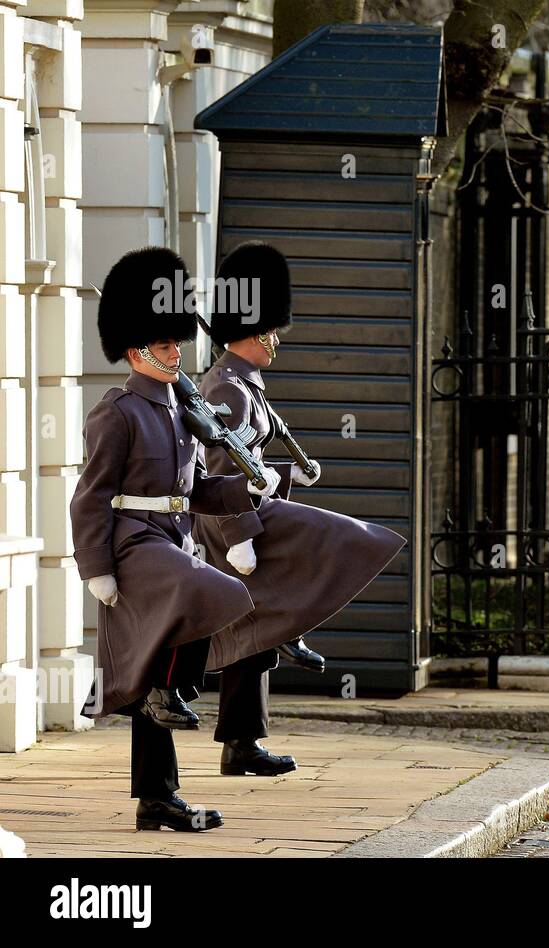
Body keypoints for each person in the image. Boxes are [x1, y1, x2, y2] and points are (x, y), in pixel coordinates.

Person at [70, 247, 281, 831]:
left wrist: (251, 488)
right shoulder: (116, 412)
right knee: (216, 593)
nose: (176, 350)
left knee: (151, 677)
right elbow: (90, 495)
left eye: (176, 342)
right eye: (164, 345)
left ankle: (157, 798)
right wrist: (96, 567)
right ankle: (174, 691)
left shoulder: (181, 408)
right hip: (134, 546)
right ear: (137, 351)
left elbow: (197, 492)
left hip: (174, 537)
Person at [193, 241, 407, 777]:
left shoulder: (244, 384)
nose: (277, 342)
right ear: (254, 330)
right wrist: (239, 535)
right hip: (232, 526)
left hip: (249, 514)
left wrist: (288, 474)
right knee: (344, 539)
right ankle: (285, 641)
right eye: (272, 332)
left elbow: (255, 464)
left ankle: (243, 741)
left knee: (253, 631)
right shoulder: (230, 389)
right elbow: (221, 467)